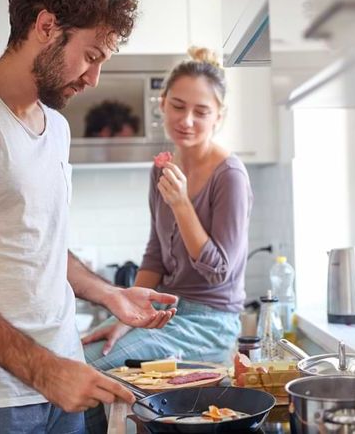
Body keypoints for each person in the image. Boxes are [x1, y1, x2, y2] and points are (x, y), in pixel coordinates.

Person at [0, 0, 178, 433]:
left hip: (63, 383)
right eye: (90, 56)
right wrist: (47, 372)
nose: (94, 79)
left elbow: (37, 244)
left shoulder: (57, 128)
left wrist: (109, 294)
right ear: (46, 27)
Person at [81, 46, 253, 431]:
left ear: (219, 116)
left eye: (201, 111)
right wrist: (126, 314)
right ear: (162, 104)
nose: (187, 120)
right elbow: (156, 254)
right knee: (75, 357)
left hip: (209, 325)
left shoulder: (230, 176)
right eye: (177, 106)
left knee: (84, 369)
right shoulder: (161, 169)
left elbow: (218, 274)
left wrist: (181, 204)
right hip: (163, 315)